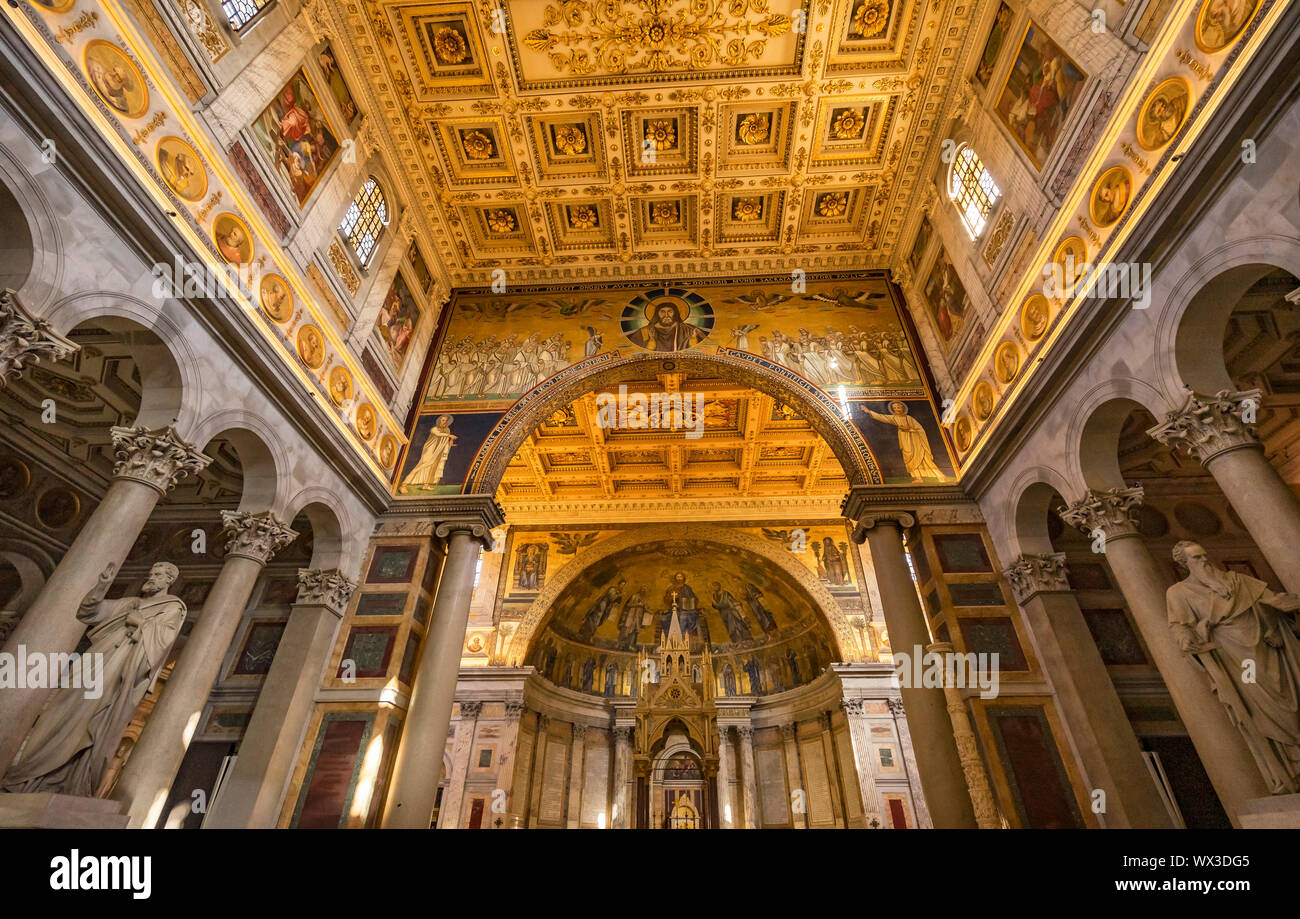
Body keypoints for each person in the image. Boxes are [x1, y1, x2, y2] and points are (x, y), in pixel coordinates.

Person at [2, 562, 187, 795]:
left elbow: (161, 642)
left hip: (119, 671)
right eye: (150, 574)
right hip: (94, 663)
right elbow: (89, 613)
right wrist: (102, 586)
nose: (151, 578)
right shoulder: (131, 602)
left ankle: (63, 781)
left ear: (169, 580)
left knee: (92, 722)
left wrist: (139, 622)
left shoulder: (172, 608)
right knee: (58, 713)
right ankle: (29, 775)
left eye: (157, 575)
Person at [1167, 541, 1300, 793]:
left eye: (1205, 555)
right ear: (1185, 564)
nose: (1205, 561)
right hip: (1234, 659)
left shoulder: (1239, 581)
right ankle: (1290, 771)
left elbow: (1272, 602)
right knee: (1260, 712)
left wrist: (1277, 618)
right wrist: (1187, 638)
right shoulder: (1179, 593)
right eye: (1197, 558)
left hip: (1269, 650)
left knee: (1294, 704)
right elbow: (1179, 625)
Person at [861, 402, 946, 482]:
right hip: (905, 441)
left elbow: (920, 429)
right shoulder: (894, 418)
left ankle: (939, 476)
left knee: (923, 458)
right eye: (895, 408)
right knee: (908, 458)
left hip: (916, 441)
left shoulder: (909, 418)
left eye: (898, 407)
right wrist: (868, 411)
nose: (897, 409)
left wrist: (911, 430)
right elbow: (883, 417)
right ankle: (918, 478)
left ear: (902, 408)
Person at [399, 415, 455, 493]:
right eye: (443, 420)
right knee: (421, 466)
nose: (444, 422)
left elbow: (444, 442)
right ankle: (403, 485)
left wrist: (449, 444)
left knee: (432, 468)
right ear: (439, 421)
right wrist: (449, 435)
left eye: (446, 421)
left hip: (438, 452)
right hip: (429, 451)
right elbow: (438, 434)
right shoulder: (434, 429)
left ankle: (426, 485)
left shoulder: (447, 430)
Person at [628, 301, 707, 352]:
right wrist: (651, 342)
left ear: (675, 313)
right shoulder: (644, 332)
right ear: (657, 314)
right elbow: (634, 351)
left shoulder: (689, 329)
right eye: (662, 312)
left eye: (670, 311)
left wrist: (693, 340)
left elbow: (703, 347)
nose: (666, 315)